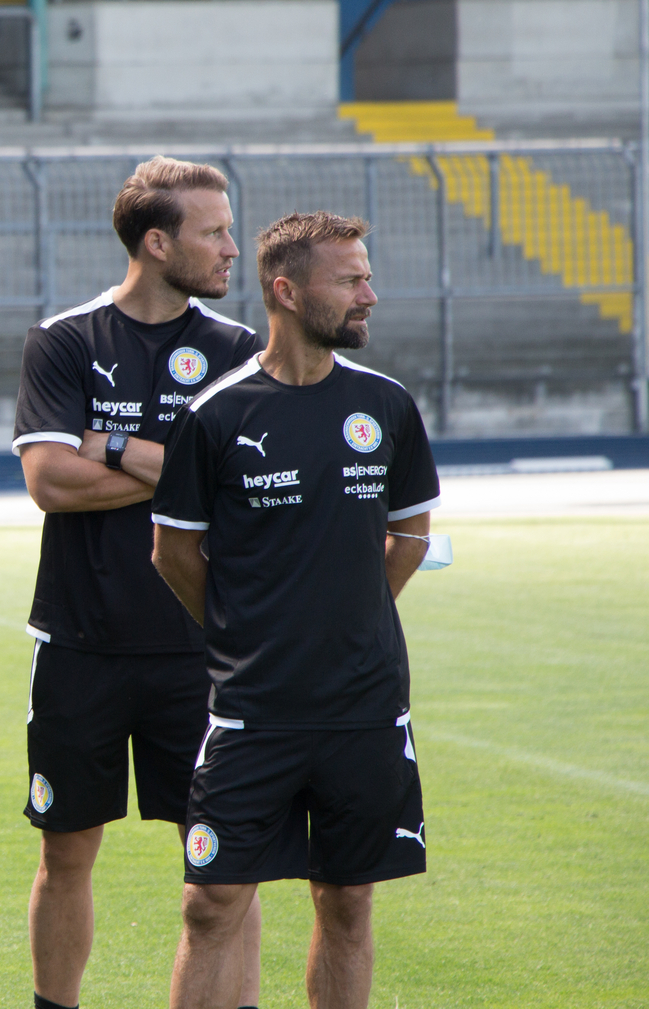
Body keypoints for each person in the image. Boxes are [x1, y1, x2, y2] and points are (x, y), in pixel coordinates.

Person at [151, 211, 441, 1009]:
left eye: (367, 277)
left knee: (347, 901)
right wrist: (248, 631)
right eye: (350, 281)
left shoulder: (386, 404)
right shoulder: (216, 414)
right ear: (286, 291)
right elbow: (173, 553)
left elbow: (411, 535)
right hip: (253, 711)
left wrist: (347, 613)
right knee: (210, 902)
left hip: (364, 708)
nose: (369, 295)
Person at [12, 157, 263, 1009]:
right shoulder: (66, 340)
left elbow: (239, 486)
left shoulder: (239, 353)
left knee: (225, 867)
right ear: (157, 243)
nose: (231, 247)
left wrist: (112, 445)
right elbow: (50, 480)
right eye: (213, 231)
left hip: (203, 650)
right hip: (79, 644)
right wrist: (184, 469)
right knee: (65, 852)